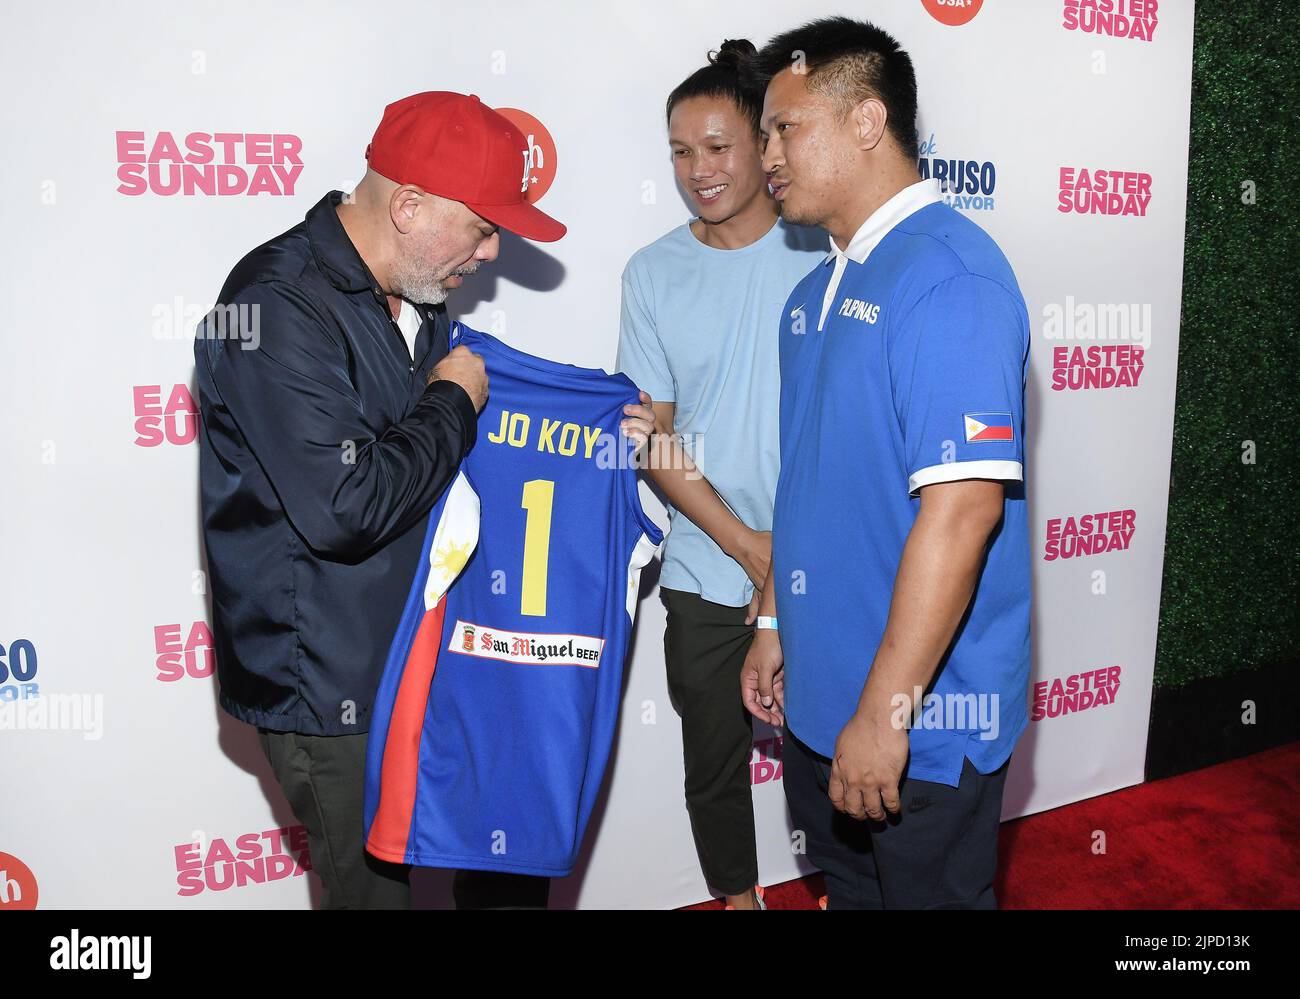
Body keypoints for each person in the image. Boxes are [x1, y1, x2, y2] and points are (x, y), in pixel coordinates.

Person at [194, 91, 566, 909]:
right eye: (482, 225)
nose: (493, 249)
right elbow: (347, 505)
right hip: (331, 685)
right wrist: (453, 405)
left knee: (495, 854)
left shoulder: (416, 290)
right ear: (409, 205)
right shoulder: (270, 305)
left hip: (422, 652)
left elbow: (428, 459)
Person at [742, 17, 1032, 909]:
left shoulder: (952, 279)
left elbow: (965, 511)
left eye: (784, 128)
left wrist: (886, 713)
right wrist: (770, 617)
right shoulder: (811, 291)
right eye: (762, 134)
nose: (765, 157)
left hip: (923, 727)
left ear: (867, 122)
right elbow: (812, 480)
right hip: (825, 706)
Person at [615, 39, 825, 909]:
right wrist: (749, 547)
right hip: (707, 566)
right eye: (679, 151)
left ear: (764, 143)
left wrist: (784, 556)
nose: (697, 170)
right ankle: (740, 903)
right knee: (713, 762)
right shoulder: (652, 272)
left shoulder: (823, 248)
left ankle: (840, 886)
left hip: (822, 559)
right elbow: (649, 437)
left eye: (717, 146)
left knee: (829, 745)